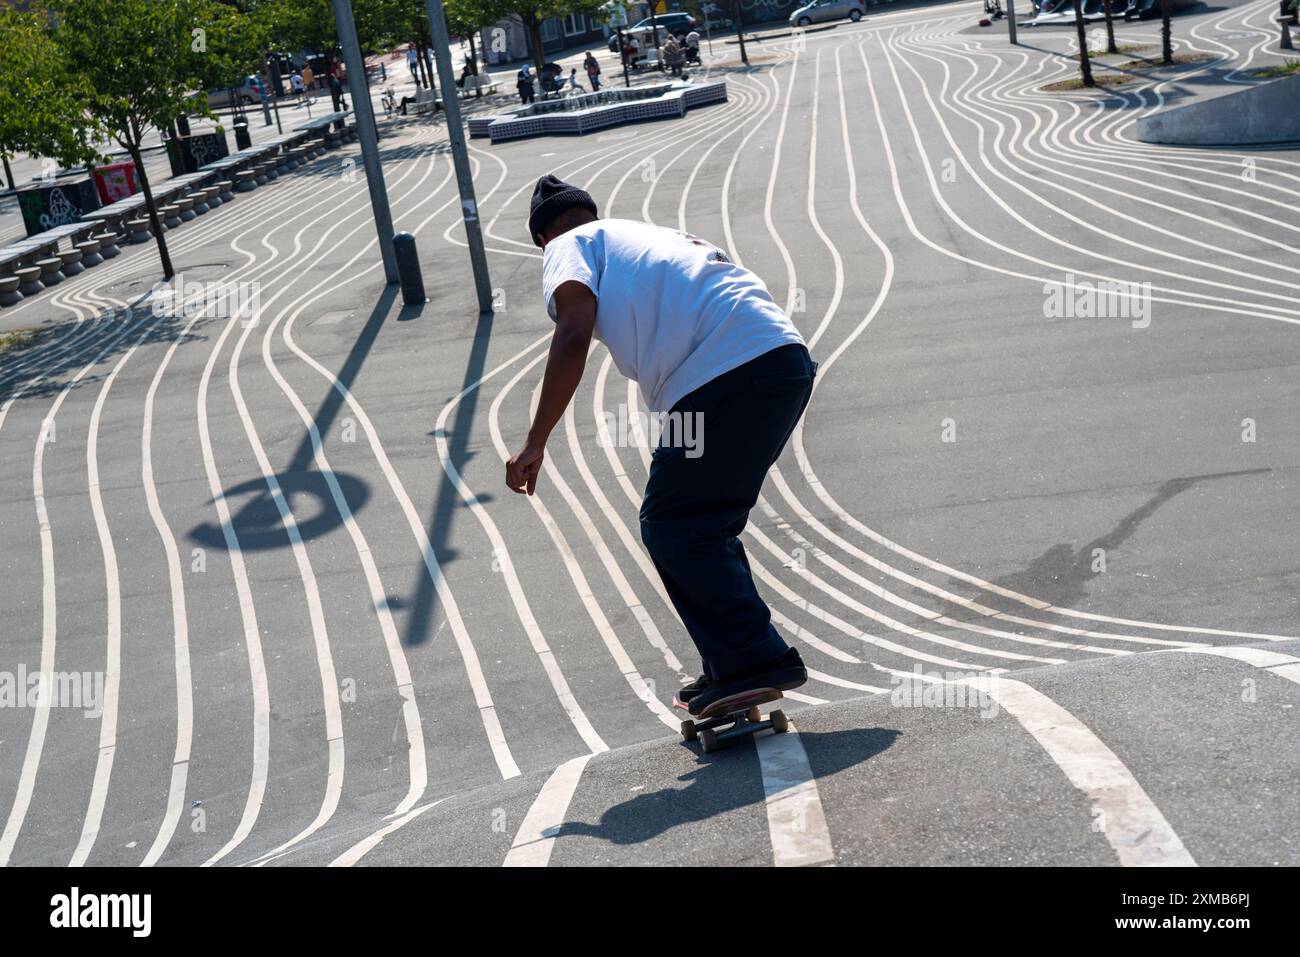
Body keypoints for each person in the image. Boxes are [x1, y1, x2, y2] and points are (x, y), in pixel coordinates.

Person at [506, 175, 813, 717]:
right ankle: (732, 657)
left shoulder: (565, 248)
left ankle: (751, 657)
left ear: (540, 239)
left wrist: (536, 440)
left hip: (724, 371)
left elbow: (573, 333)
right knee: (693, 521)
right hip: (777, 360)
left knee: (674, 524)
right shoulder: (638, 234)